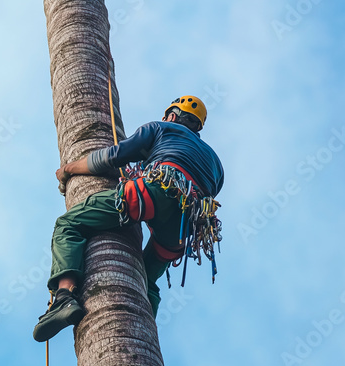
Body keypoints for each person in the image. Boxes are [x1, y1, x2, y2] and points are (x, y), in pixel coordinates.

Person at [32, 95, 225, 342]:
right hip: (185, 227)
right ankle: (144, 334)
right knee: (147, 280)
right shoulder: (216, 163)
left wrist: (68, 170)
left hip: (154, 193)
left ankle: (63, 299)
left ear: (173, 116)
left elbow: (113, 156)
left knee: (68, 224)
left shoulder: (161, 127)